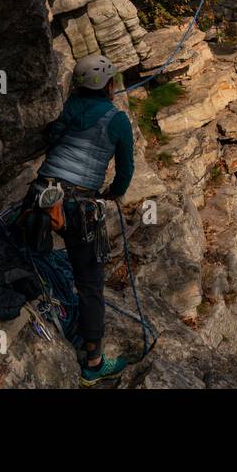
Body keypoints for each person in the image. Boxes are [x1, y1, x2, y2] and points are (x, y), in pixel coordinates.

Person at [33, 53, 135, 386]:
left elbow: (51, 139)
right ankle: (93, 362)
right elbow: (125, 171)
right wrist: (111, 195)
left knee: (31, 253)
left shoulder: (66, 107)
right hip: (79, 206)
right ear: (107, 85)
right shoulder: (117, 120)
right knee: (90, 284)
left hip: (41, 195)